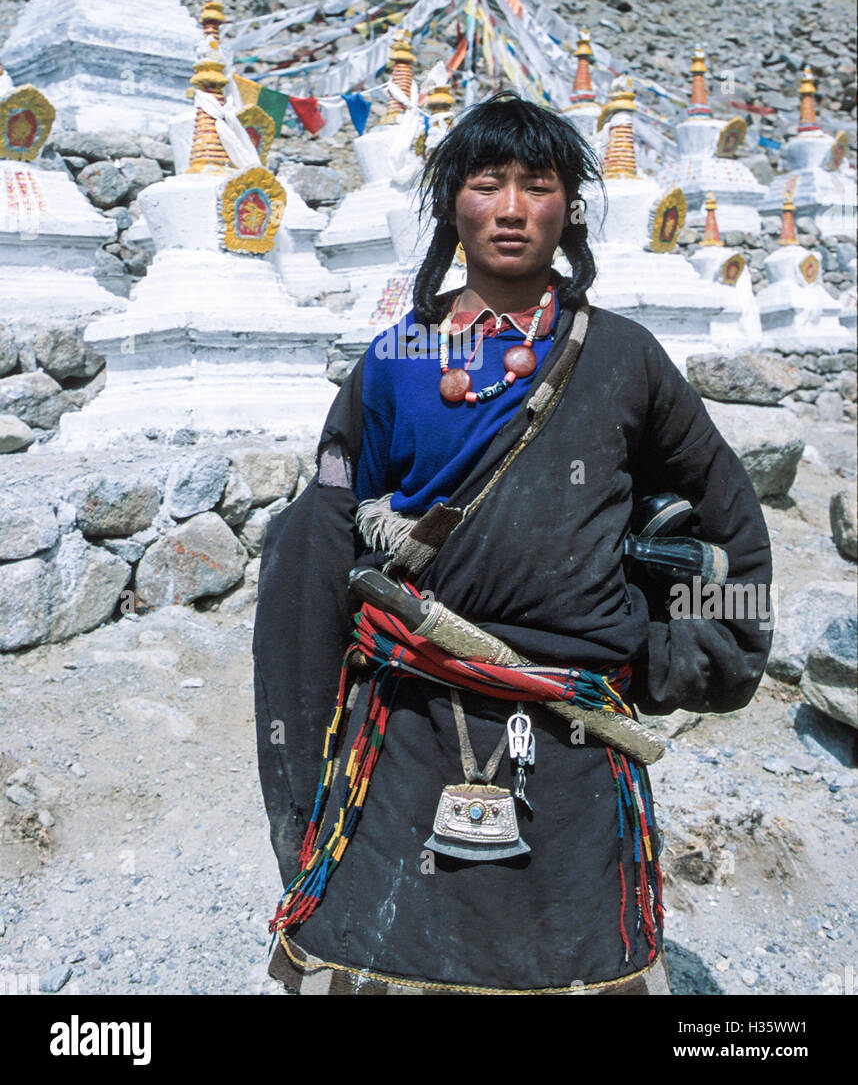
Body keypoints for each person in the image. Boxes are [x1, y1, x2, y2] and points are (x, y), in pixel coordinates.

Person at [253, 91, 773, 996]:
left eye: (537, 185)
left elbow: (726, 518)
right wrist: (302, 751)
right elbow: (324, 542)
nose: (509, 207)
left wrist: (688, 653)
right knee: (379, 965)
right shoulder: (398, 360)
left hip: (574, 728)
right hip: (408, 723)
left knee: (577, 962)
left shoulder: (622, 358)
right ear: (453, 202)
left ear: (567, 208)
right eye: (486, 183)